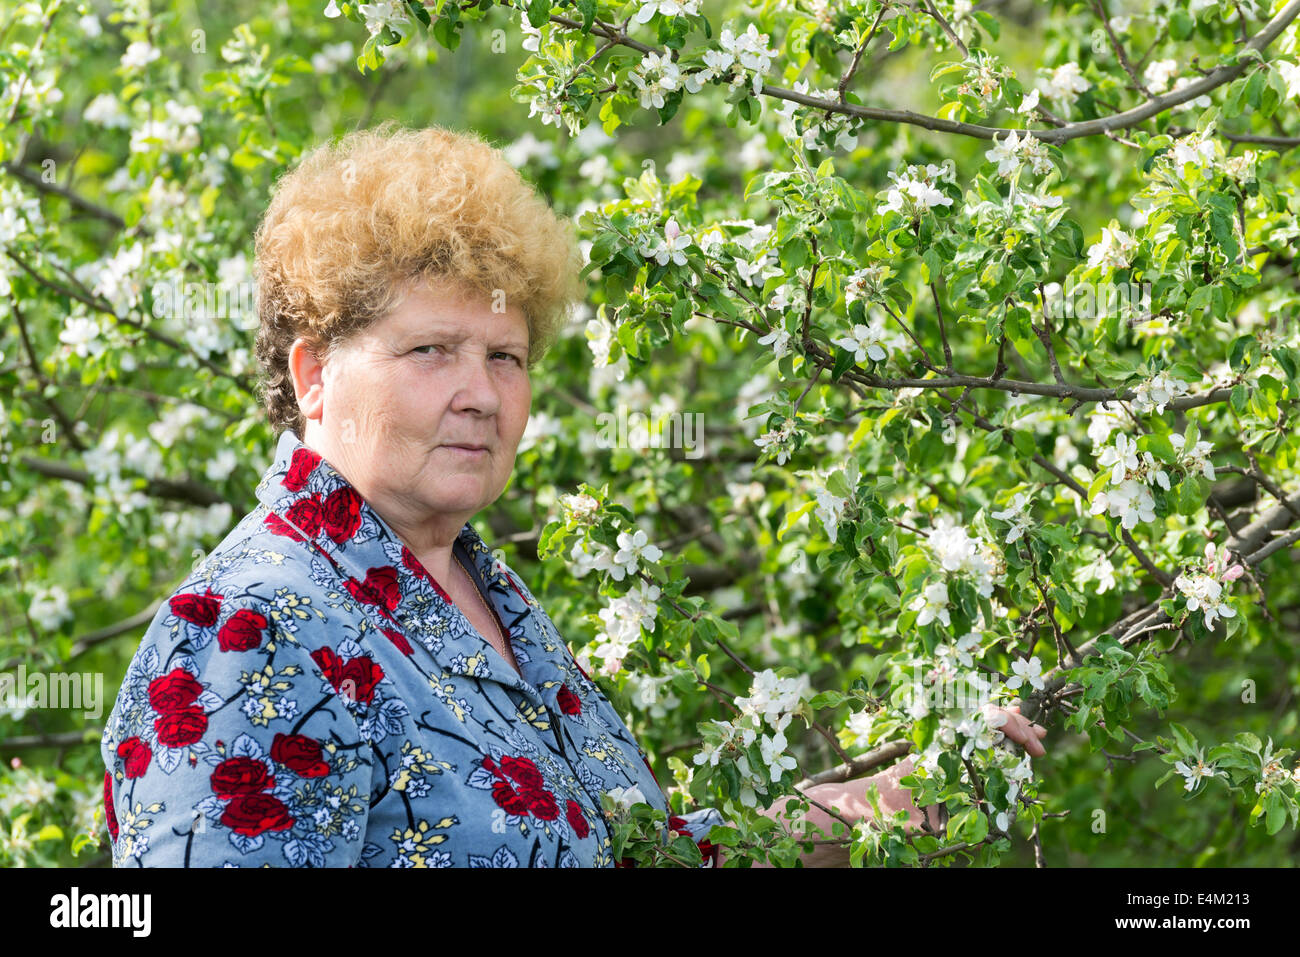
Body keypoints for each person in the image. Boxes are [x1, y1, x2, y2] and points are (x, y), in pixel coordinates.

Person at [99, 123, 1046, 867]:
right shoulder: (249, 630)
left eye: (505, 356)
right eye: (431, 349)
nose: (480, 392)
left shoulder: (481, 592)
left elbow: (627, 858)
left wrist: (860, 809)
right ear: (313, 375)